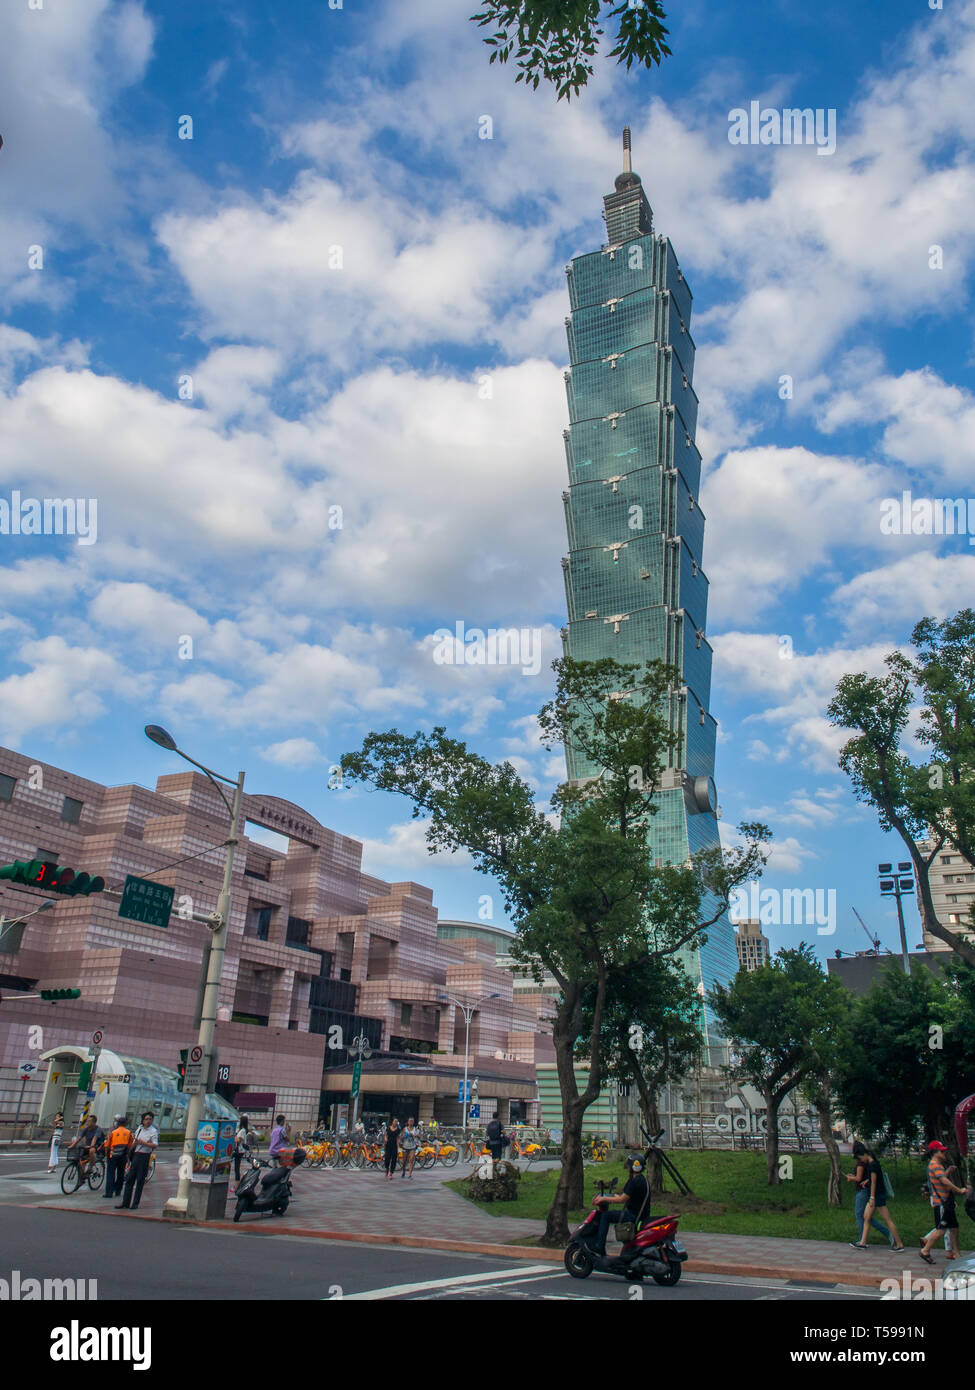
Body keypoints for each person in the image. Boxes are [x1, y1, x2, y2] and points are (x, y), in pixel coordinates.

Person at [920, 1141, 972, 1264]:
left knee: (954, 1228)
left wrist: (947, 1171)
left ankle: (956, 1253)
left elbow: (940, 1178)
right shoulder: (935, 1165)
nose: (944, 1153)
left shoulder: (936, 1165)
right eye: (942, 1151)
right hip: (942, 1203)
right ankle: (925, 1251)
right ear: (935, 1152)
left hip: (946, 1201)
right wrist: (959, 1190)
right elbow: (944, 1181)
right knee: (941, 1230)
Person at [850, 1143, 904, 1251]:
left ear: (864, 1154)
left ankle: (899, 1244)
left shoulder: (872, 1165)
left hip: (877, 1196)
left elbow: (874, 1182)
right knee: (866, 1217)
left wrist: (872, 1198)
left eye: (861, 1158)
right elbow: (873, 1179)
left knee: (887, 1220)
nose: (861, 1160)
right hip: (877, 1195)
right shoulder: (873, 1163)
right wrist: (867, 1181)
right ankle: (863, 1242)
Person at [592, 1155, 651, 1255]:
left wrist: (603, 1198)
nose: (627, 1169)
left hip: (633, 1215)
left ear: (633, 1167)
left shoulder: (634, 1181)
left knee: (605, 1216)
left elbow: (622, 1199)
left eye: (628, 1167)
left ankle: (599, 1247)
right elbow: (626, 1196)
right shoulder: (642, 1179)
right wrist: (614, 1196)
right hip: (642, 1215)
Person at [844, 1140, 893, 1247]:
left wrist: (851, 1178)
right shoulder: (869, 1161)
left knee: (862, 1216)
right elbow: (870, 1178)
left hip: (864, 1192)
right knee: (866, 1216)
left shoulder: (863, 1163)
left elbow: (859, 1178)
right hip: (868, 1191)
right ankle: (864, 1241)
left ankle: (864, 1240)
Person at [116, 1112, 158, 1211]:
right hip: (136, 1155)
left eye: (150, 1119)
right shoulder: (140, 1128)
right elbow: (135, 1141)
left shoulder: (153, 1131)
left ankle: (135, 1203)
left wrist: (143, 1143)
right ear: (143, 1120)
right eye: (146, 1119)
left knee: (140, 1180)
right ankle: (125, 1202)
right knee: (130, 1179)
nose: (148, 1121)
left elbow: (155, 1145)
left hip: (144, 1156)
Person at [104, 1115, 133, 1199]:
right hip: (123, 1156)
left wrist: (107, 1154)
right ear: (125, 1124)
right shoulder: (128, 1133)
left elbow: (107, 1145)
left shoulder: (113, 1132)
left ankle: (109, 1193)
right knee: (120, 1174)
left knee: (110, 1174)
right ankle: (118, 1191)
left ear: (118, 1123)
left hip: (113, 1155)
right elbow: (130, 1146)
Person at [233, 1114, 251, 1186]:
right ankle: (237, 1183)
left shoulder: (242, 1131)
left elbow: (238, 1140)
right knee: (236, 1167)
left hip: (239, 1150)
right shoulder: (243, 1130)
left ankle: (237, 1184)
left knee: (236, 1168)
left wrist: (234, 1136)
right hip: (239, 1150)